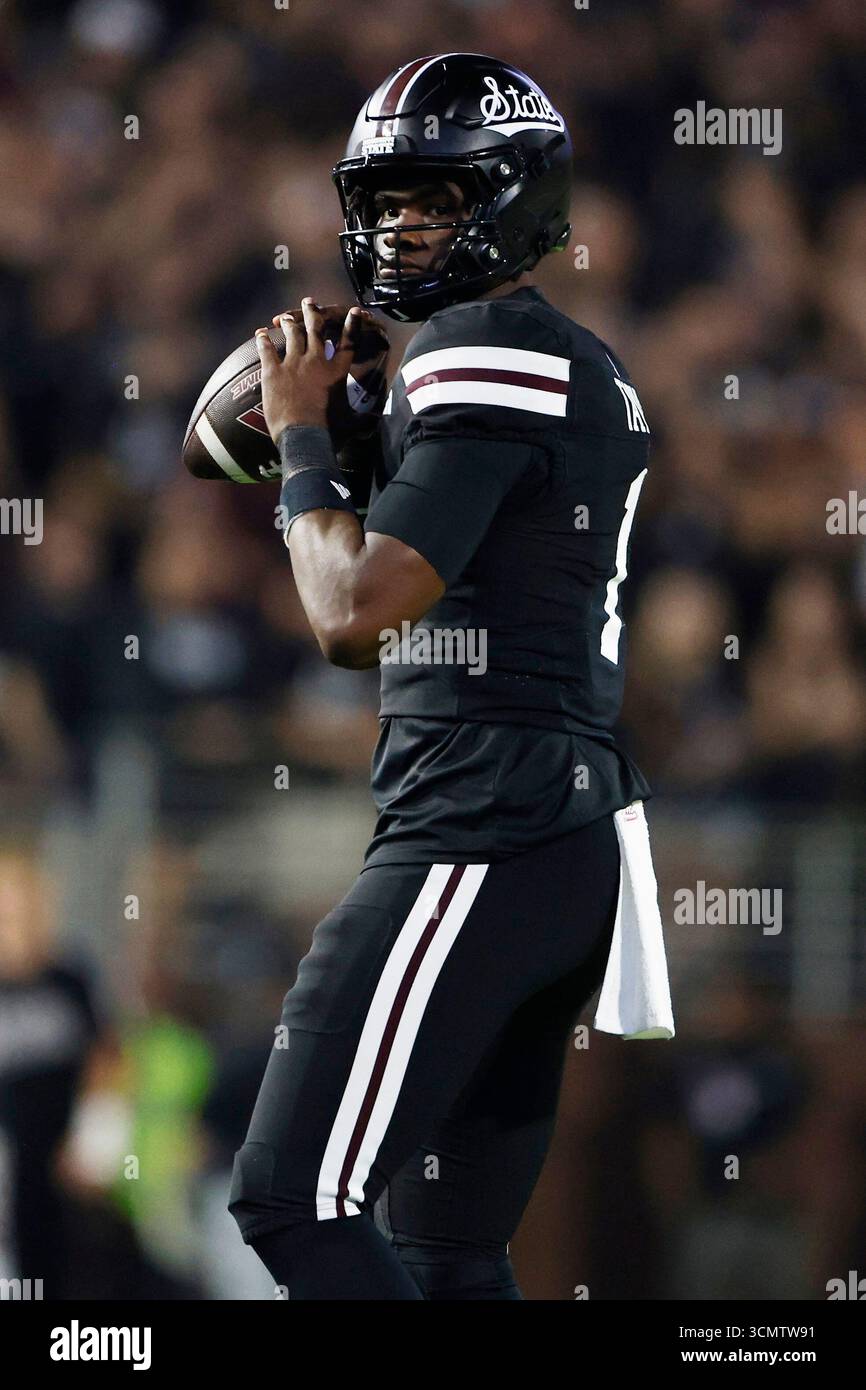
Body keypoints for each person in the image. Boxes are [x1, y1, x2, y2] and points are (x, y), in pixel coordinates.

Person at [228, 53, 656, 1300]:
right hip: (559, 831)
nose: (404, 227)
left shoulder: (478, 347)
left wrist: (304, 438)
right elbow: (477, 551)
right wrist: (368, 433)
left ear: (515, 202)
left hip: (482, 816)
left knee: (290, 1193)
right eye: (391, 201)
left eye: (439, 200)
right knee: (446, 1251)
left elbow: (351, 612)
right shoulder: (564, 362)